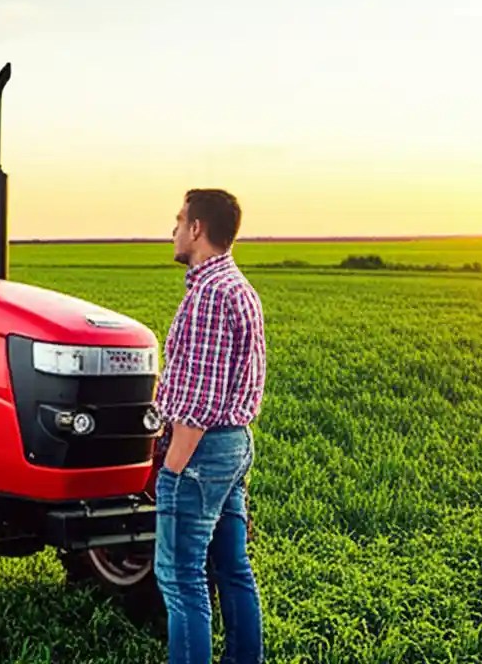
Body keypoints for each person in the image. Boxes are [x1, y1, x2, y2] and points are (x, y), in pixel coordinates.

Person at [152, 188, 266, 663]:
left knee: (182, 580)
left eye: (179, 220)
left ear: (197, 228)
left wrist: (171, 469)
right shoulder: (238, 287)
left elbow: (198, 403)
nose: (173, 230)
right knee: (233, 568)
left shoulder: (209, 296)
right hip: (234, 446)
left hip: (200, 453)